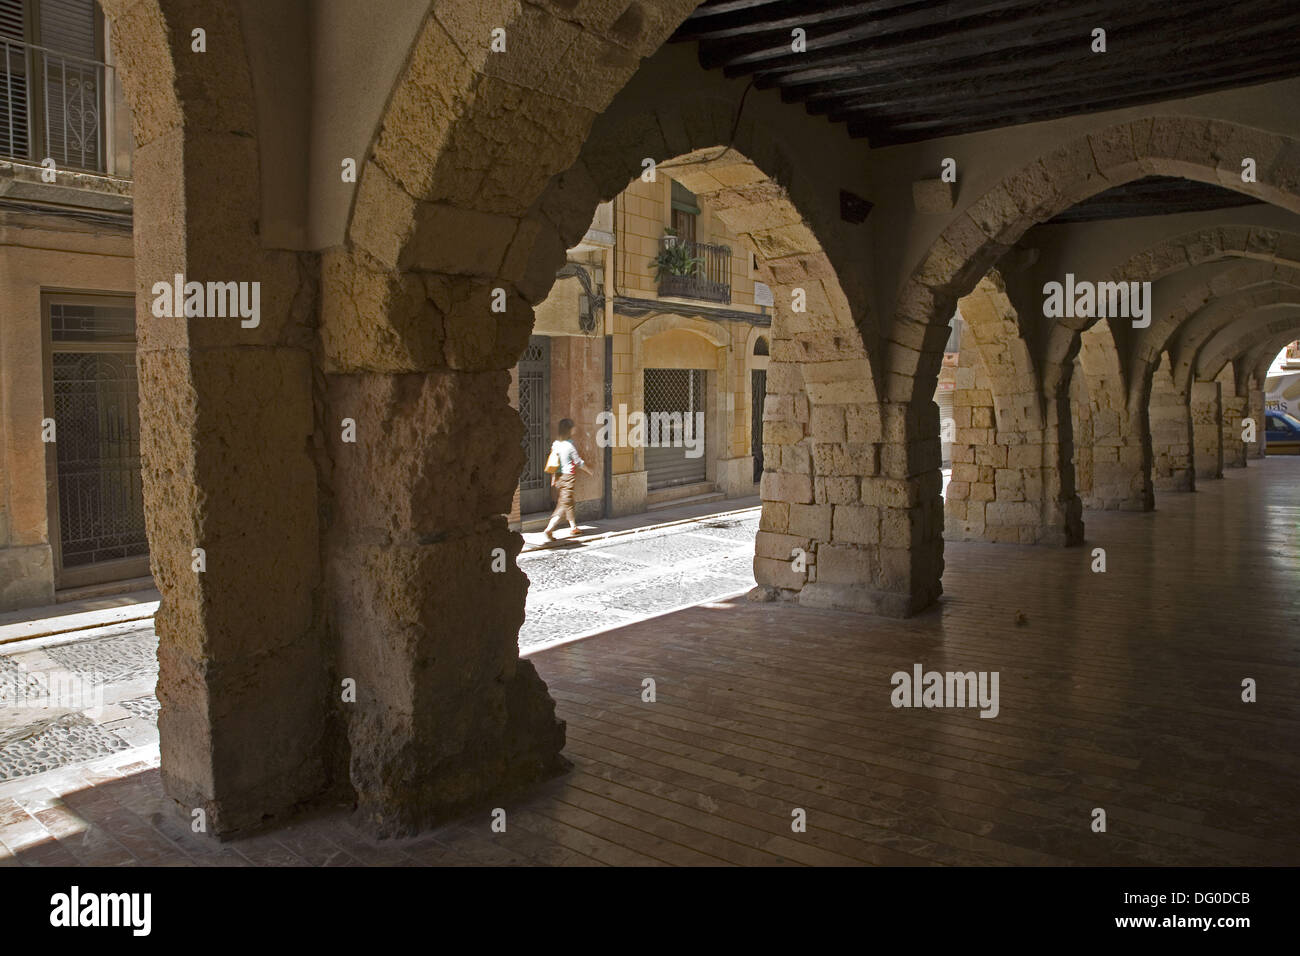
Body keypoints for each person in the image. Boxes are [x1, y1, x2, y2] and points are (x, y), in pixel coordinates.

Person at [543, 418, 593, 541]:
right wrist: (589, 471)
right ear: (569, 430)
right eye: (573, 427)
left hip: (560, 478)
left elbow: (554, 462)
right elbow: (578, 462)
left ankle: (573, 527)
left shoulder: (556, 445)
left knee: (568, 501)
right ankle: (549, 529)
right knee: (563, 504)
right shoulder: (569, 446)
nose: (575, 429)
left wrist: (553, 478)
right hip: (568, 477)